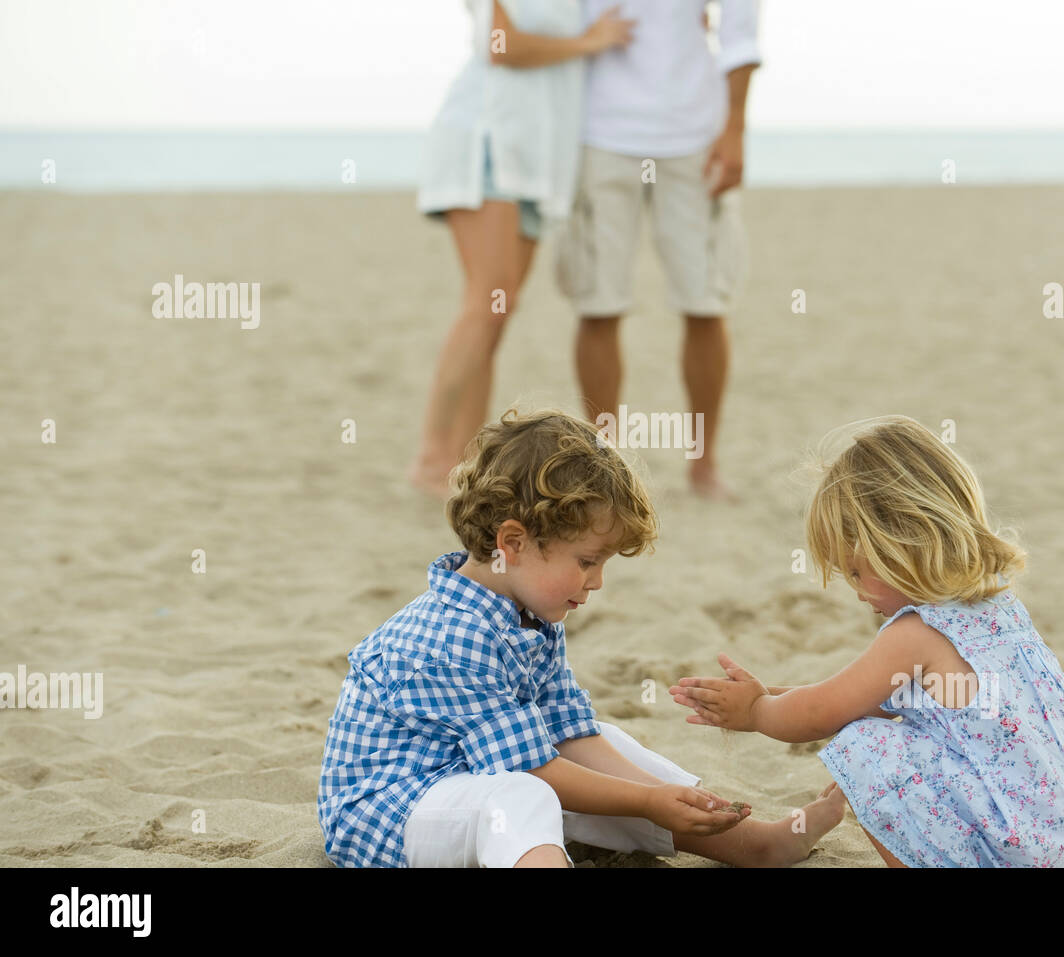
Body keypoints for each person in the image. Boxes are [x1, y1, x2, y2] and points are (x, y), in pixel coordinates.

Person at [320, 408, 847, 867]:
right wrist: (645, 802)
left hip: (469, 786)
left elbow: (571, 734)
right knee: (525, 794)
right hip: (388, 816)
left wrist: (663, 794)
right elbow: (527, 766)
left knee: (607, 745)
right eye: (587, 561)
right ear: (513, 542)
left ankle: (753, 844)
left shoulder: (531, 616)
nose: (596, 581)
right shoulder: (450, 637)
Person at [670, 415, 1064, 867]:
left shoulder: (915, 635)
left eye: (858, 571)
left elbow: (824, 713)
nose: (857, 590)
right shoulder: (997, 606)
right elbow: (855, 698)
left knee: (865, 746)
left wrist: (756, 712)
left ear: (900, 544)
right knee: (874, 728)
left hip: (1017, 846)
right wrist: (767, 695)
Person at [408, 1, 635, 496]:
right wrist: (589, 42)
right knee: (487, 304)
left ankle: (465, 464)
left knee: (498, 312)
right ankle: (432, 456)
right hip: (487, 142)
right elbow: (501, 45)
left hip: (537, 162)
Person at [556, 0, 761, 500]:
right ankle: (605, 466)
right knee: (599, 305)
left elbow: (741, 33)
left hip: (695, 134)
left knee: (706, 305)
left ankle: (704, 466)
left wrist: (734, 129)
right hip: (598, 133)